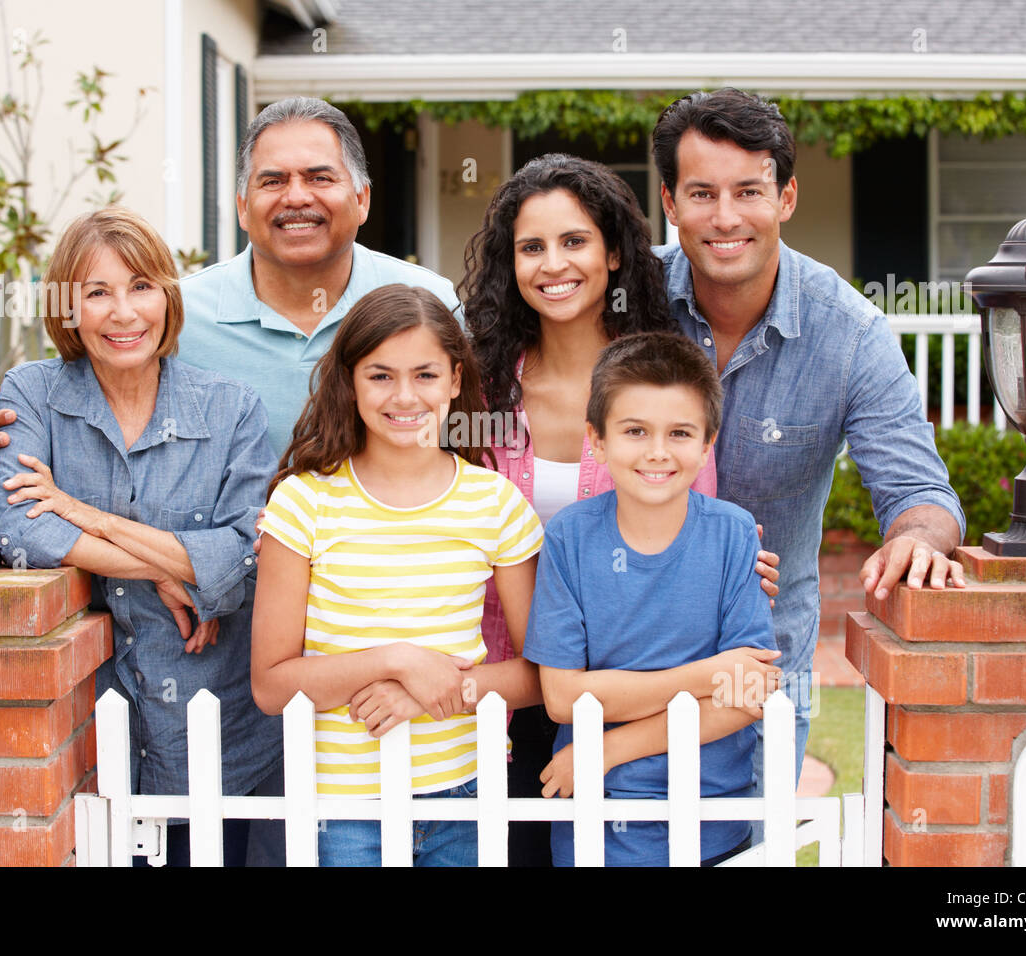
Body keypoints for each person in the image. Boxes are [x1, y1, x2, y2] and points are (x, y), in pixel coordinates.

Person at [461, 152, 780, 865]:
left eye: (574, 241)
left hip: (625, 696)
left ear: (611, 252)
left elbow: (693, 534)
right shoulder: (480, 393)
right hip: (501, 693)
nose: (554, 263)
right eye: (531, 247)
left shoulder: (655, 391)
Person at [651, 88, 967, 775]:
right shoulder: (624, 298)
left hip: (767, 663)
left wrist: (917, 543)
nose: (726, 217)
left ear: (786, 198)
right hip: (623, 652)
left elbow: (919, 491)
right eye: (701, 194)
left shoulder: (851, 333)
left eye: (749, 191)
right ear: (670, 204)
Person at [0, 206, 282, 866]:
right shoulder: (33, 393)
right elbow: (20, 527)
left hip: (220, 734)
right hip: (89, 738)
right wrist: (161, 569)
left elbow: (239, 558)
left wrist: (83, 512)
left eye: (141, 286)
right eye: (97, 292)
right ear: (68, 307)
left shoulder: (232, 409)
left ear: (168, 296)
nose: (123, 313)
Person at [0, 95, 459, 466]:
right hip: (219, 590)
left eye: (319, 177)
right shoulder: (172, 316)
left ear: (362, 199)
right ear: (243, 207)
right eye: (272, 181)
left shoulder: (432, 305)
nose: (295, 197)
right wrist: (18, 432)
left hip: (390, 580)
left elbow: (484, 441)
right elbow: (84, 412)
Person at [252, 284, 543, 866]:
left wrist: (439, 692)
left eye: (426, 375)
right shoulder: (304, 503)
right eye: (380, 375)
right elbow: (271, 686)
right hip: (343, 809)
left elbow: (542, 674)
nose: (404, 396)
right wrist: (399, 661)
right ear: (350, 381)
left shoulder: (495, 503)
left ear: (456, 380)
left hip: (463, 797)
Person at [523, 331, 781, 866]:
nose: (658, 452)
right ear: (596, 440)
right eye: (635, 431)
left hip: (711, 820)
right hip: (596, 823)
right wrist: (707, 675)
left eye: (680, 433)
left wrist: (605, 748)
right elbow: (564, 699)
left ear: (708, 443)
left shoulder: (733, 536)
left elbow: (748, 694)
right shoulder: (570, 538)